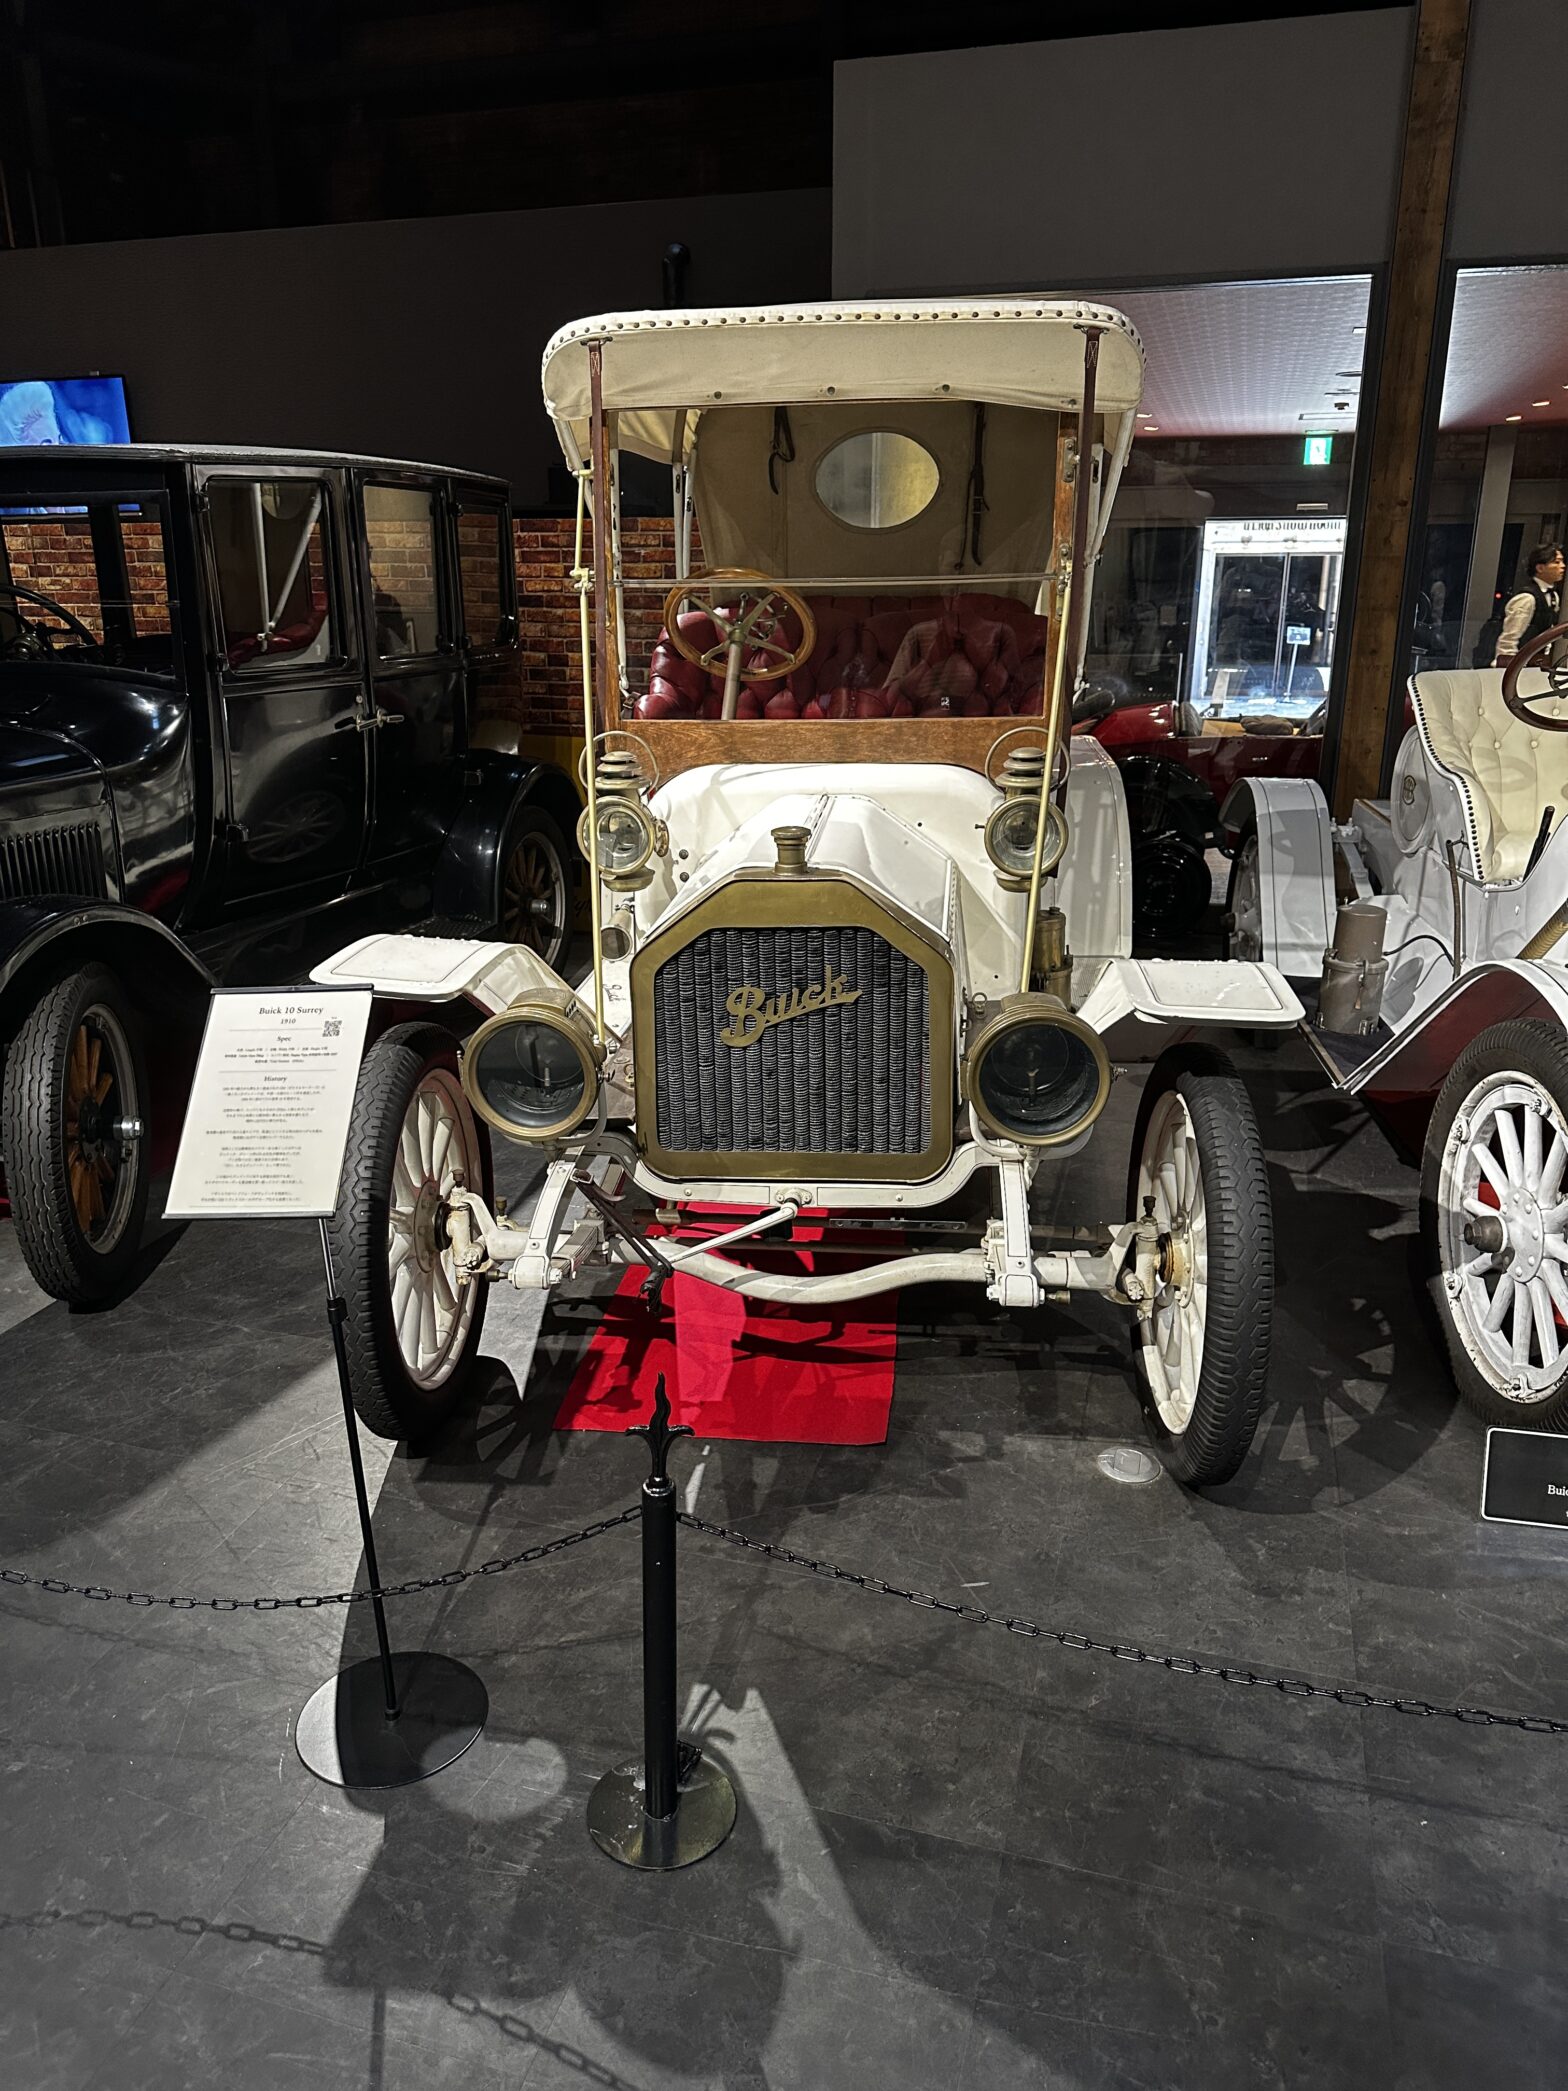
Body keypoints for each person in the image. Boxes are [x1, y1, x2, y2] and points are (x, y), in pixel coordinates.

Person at [1494, 540, 1564, 664]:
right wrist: (1509, 667)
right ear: (1540, 568)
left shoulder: (1553, 596)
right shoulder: (1527, 598)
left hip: (1537, 661)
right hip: (1520, 663)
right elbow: (1509, 639)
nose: (1562, 566)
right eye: (1556, 562)